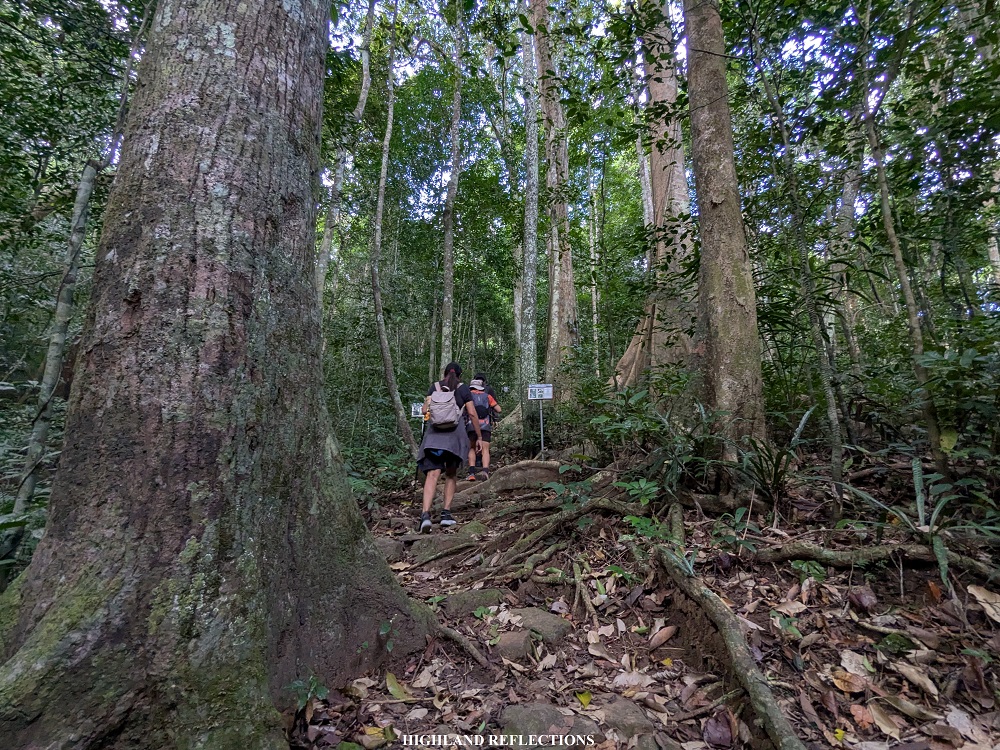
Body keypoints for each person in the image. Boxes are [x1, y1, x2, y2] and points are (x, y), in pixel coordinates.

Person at [417, 362, 483, 532]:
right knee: (451, 474)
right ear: (460, 375)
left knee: (432, 474)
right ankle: (446, 514)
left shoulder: (435, 387)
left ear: (445, 373)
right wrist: (479, 436)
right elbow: (472, 413)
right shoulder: (463, 389)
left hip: (434, 439)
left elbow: (425, 410)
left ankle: (425, 515)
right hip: (454, 439)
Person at [466, 373, 501, 481]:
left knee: (471, 448)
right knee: (486, 450)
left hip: (471, 425)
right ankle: (485, 472)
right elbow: (499, 409)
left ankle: (472, 473)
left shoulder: (467, 396)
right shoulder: (487, 396)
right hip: (485, 425)